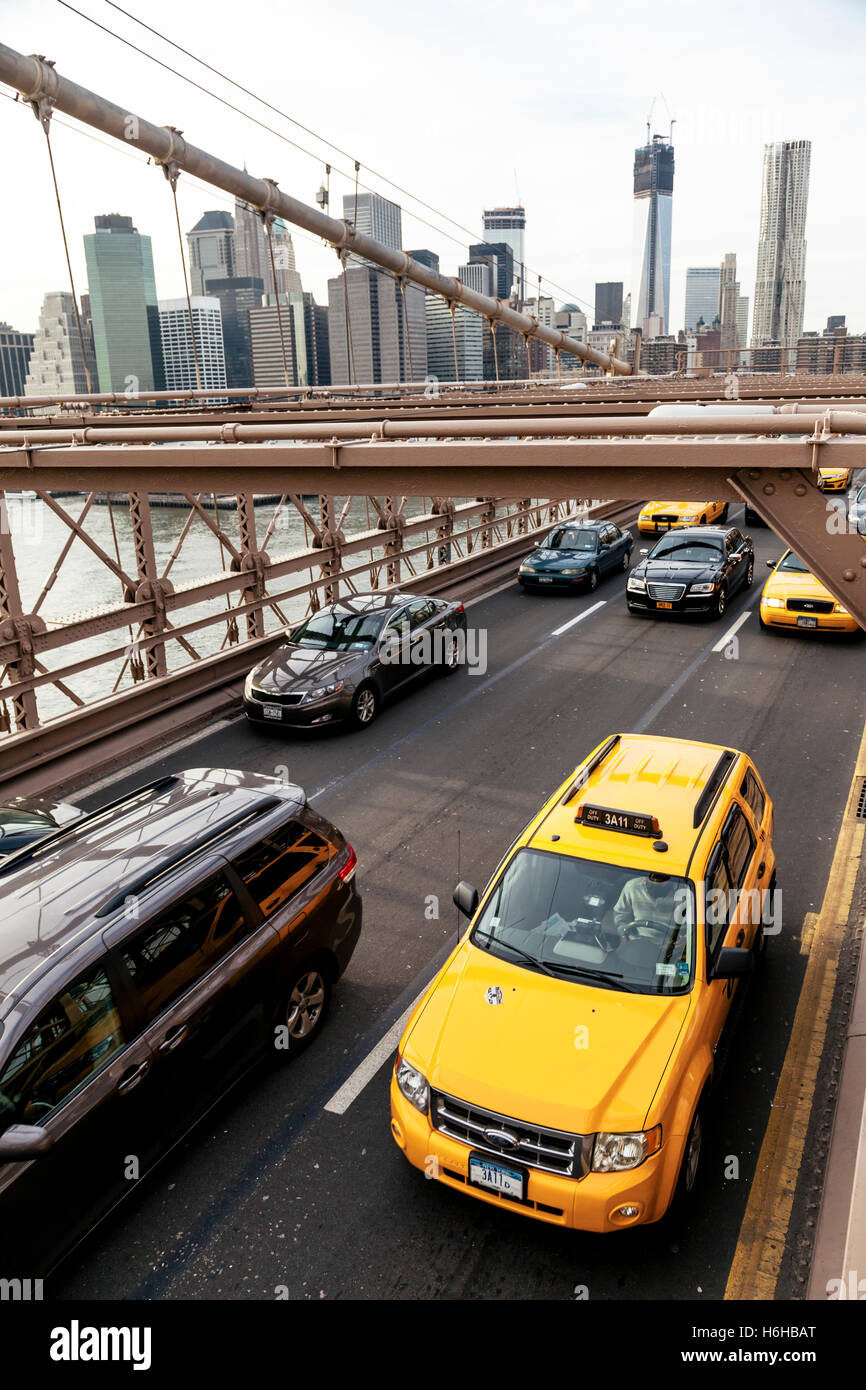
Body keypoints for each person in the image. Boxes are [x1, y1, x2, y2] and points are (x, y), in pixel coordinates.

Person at [612, 871, 680, 937]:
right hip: (637, 941)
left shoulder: (685, 893)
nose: (656, 881)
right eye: (653, 878)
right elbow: (621, 915)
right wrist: (624, 934)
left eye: (661, 880)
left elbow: (690, 926)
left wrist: (684, 939)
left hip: (670, 945)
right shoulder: (632, 887)